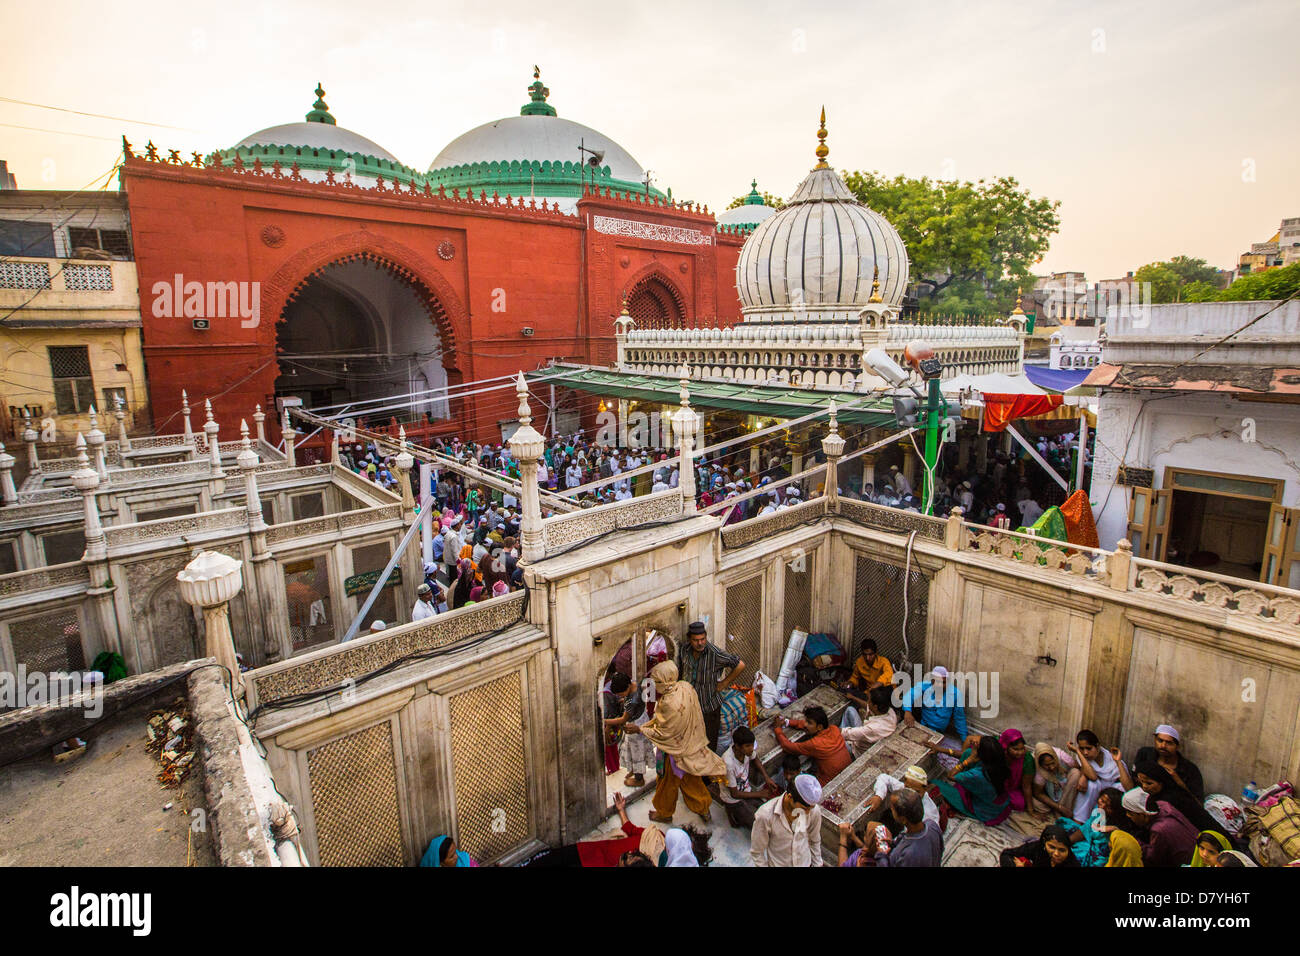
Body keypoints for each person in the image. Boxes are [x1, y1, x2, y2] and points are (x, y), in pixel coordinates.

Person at [623, 661, 726, 825]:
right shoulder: (685, 687)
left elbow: (665, 733)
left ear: (664, 681)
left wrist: (640, 729)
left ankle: (664, 813)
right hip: (692, 746)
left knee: (666, 784)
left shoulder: (669, 704)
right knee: (692, 781)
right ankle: (704, 809)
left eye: (657, 682)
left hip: (674, 753)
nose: (655, 686)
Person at [676, 621, 745, 753]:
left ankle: (708, 772)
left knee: (708, 746)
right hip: (690, 706)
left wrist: (724, 683)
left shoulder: (714, 654)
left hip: (709, 708)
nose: (700, 643)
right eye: (696, 640)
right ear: (690, 640)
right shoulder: (684, 650)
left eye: (702, 639)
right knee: (691, 743)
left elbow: (740, 665)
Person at [935, 735, 1012, 826]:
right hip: (999, 804)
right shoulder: (1000, 763)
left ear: (980, 754)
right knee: (968, 752)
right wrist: (940, 749)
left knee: (936, 783)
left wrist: (968, 760)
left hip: (985, 811)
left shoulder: (977, 774)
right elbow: (965, 753)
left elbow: (950, 776)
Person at [750, 773, 824, 867]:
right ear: (789, 797)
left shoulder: (814, 811)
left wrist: (818, 864)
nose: (808, 813)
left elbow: (815, 840)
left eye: (811, 808)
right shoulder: (765, 815)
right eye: (804, 808)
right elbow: (757, 853)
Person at [1132, 758, 1219, 835]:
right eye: (1141, 782)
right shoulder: (1158, 796)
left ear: (1161, 783)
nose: (1144, 786)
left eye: (1149, 783)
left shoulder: (1170, 801)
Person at [774, 705, 852, 786]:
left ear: (819, 727)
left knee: (783, 773)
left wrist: (777, 728)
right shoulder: (834, 729)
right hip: (847, 771)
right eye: (806, 721)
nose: (805, 725)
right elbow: (805, 724)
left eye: (809, 723)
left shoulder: (815, 744)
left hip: (828, 784)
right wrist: (788, 722)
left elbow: (787, 746)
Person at [720, 726, 779, 830]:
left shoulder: (748, 752)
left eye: (752, 745)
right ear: (737, 746)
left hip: (746, 790)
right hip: (733, 799)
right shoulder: (728, 763)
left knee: (768, 813)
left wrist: (767, 778)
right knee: (758, 825)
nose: (751, 748)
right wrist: (760, 793)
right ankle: (731, 812)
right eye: (748, 746)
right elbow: (735, 794)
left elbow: (755, 758)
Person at [1122, 787, 1198, 867]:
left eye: (1130, 813)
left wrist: (1134, 842)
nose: (1128, 816)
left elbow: (1153, 858)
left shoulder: (1159, 829)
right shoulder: (1163, 805)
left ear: (1143, 814)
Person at [1132, 724, 1204, 802]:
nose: (1163, 746)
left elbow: (1198, 803)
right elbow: (1134, 780)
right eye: (1160, 740)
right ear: (1155, 740)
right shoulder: (1145, 754)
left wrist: (1180, 784)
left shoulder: (1189, 769)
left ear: (1177, 746)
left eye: (1169, 743)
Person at [1069, 730, 1127, 824]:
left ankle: (1108, 822)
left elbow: (1129, 787)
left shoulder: (1110, 758)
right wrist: (1077, 752)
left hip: (1110, 789)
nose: (1085, 753)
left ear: (1098, 746)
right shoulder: (1083, 757)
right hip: (1098, 789)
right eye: (1082, 749)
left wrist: (1118, 762)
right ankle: (1079, 820)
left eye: (1088, 748)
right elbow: (1093, 776)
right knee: (1092, 785)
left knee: (1120, 788)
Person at [879, 788, 943, 866]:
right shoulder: (932, 826)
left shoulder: (908, 854)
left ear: (903, 819)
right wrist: (894, 844)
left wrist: (881, 856)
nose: (891, 810)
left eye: (892, 809)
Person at [901, 665, 968, 740]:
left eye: (944, 682)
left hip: (939, 732)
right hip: (923, 726)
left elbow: (959, 718)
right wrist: (907, 711)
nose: (940, 686)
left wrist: (964, 739)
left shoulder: (956, 694)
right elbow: (909, 695)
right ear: (932, 681)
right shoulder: (925, 686)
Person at [862, 765, 940, 828]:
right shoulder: (905, 790)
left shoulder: (929, 814)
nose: (911, 794)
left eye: (917, 791)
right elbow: (883, 777)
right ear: (905, 785)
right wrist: (879, 796)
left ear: (925, 789)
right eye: (908, 789)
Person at [841, 685, 898, 758]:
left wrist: (829, 731)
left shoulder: (873, 728)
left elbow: (847, 733)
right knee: (850, 710)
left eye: (869, 701)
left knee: (837, 740)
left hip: (856, 750)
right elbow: (867, 706)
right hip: (863, 735)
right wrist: (853, 697)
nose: (867, 702)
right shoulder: (890, 711)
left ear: (875, 706)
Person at [1032, 742, 1082, 818]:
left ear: (1055, 757)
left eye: (1053, 763)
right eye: (1047, 765)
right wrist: (1059, 807)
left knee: (1076, 773)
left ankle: (1061, 811)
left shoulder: (1061, 755)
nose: (1051, 767)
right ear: (1040, 764)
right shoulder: (1039, 771)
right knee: (1035, 803)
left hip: (1066, 790)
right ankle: (1062, 809)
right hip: (1052, 796)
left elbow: (1078, 767)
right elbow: (1038, 793)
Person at [999, 824, 1081, 868]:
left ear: (1068, 850)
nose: (1056, 853)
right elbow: (1006, 854)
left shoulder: (1072, 864)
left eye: (1062, 850)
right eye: (1052, 847)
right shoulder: (1037, 848)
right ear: (1044, 843)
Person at [1001, 728, 1039, 815]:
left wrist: (1030, 810)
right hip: (995, 785)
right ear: (1006, 746)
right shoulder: (999, 751)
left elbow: (1027, 786)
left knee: (1020, 805)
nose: (1020, 753)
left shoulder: (1027, 759)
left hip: (1011, 788)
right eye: (1015, 749)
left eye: (1022, 749)